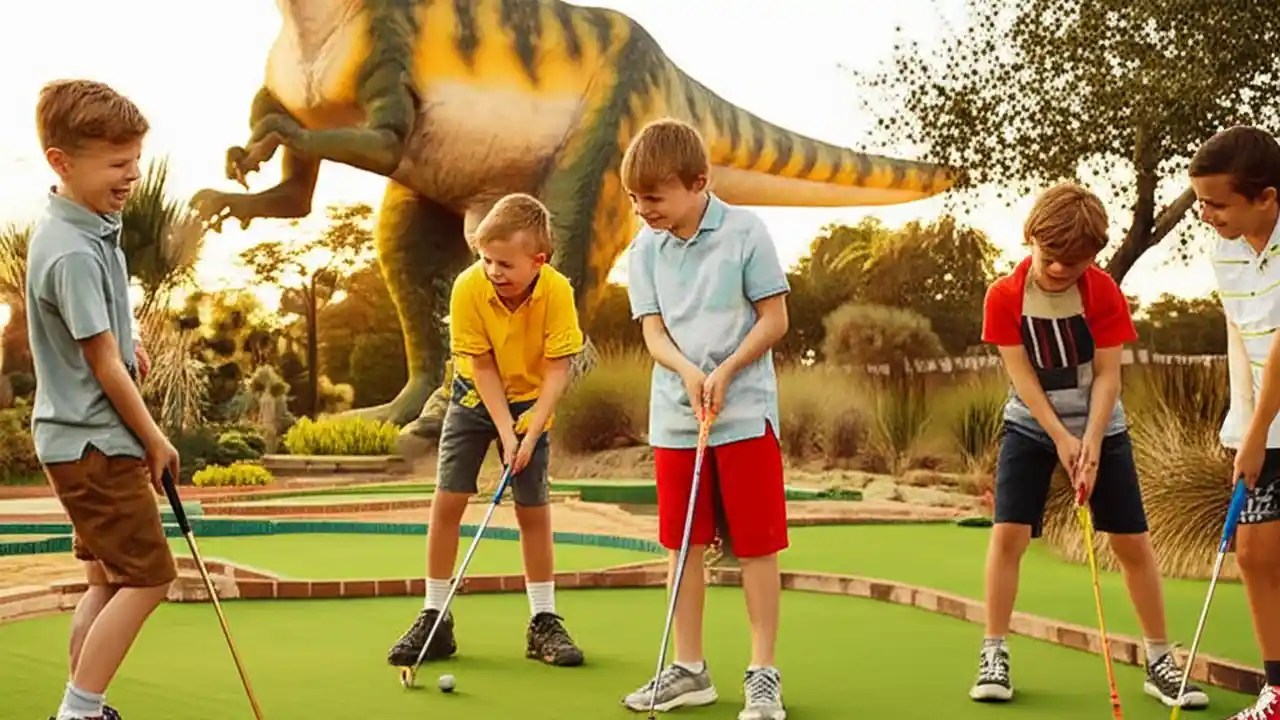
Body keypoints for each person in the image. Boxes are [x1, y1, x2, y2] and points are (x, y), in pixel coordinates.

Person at [971, 181, 1207, 710]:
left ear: (1093, 258)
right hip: (1031, 427)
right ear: (1031, 236)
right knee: (1008, 534)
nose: (1059, 270)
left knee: (1131, 543)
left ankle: (1160, 661)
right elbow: (1022, 377)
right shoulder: (1004, 296)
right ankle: (994, 652)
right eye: (1052, 258)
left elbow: (1107, 377)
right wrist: (1060, 437)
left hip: (1105, 428)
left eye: (1073, 263)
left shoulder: (1100, 291)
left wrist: (1093, 442)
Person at [618, 118, 791, 720]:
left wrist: (727, 370)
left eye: (654, 198)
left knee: (757, 546)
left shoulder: (746, 231)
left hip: (743, 415)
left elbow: (774, 320)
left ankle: (762, 674)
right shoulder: (643, 248)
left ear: (698, 183)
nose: (644, 210)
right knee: (681, 546)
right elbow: (653, 331)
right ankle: (689, 670)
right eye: (635, 199)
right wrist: (690, 373)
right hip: (675, 416)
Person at [28, 79, 181, 720]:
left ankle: (87, 705)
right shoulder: (69, 251)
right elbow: (103, 367)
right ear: (63, 162)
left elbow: (116, 340)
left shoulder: (95, 228)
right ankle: (79, 711)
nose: (133, 176)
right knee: (149, 579)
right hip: (96, 443)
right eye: (117, 163)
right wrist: (156, 439)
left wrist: (134, 338)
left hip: (80, 441)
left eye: (135, 160)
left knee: (104, 580)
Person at [385, 192, 587, 670]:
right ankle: (435, 616)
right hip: (476, 397)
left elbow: (559, 371)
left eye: (504, 263)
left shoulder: (557, 291)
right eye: (485, 259)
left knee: (533, 510)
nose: (492, 271)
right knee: (448, 501)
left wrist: (530, 433)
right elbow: (481, 366)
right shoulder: (469, 287)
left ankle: (544, 621)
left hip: (533, 399)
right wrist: (506, 432)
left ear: (538, 261)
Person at [1188, 125, 1280, 720]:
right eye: (1199, 200)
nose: (1205, 214)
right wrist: (1241, 427)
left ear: (1267, 197)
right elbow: (1241, 340)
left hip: (1268, 425)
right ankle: (1279, 692)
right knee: (1254, 554)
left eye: (1217, 203)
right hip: (1261, 425)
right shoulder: (1222, 247)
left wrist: (1254, 436)